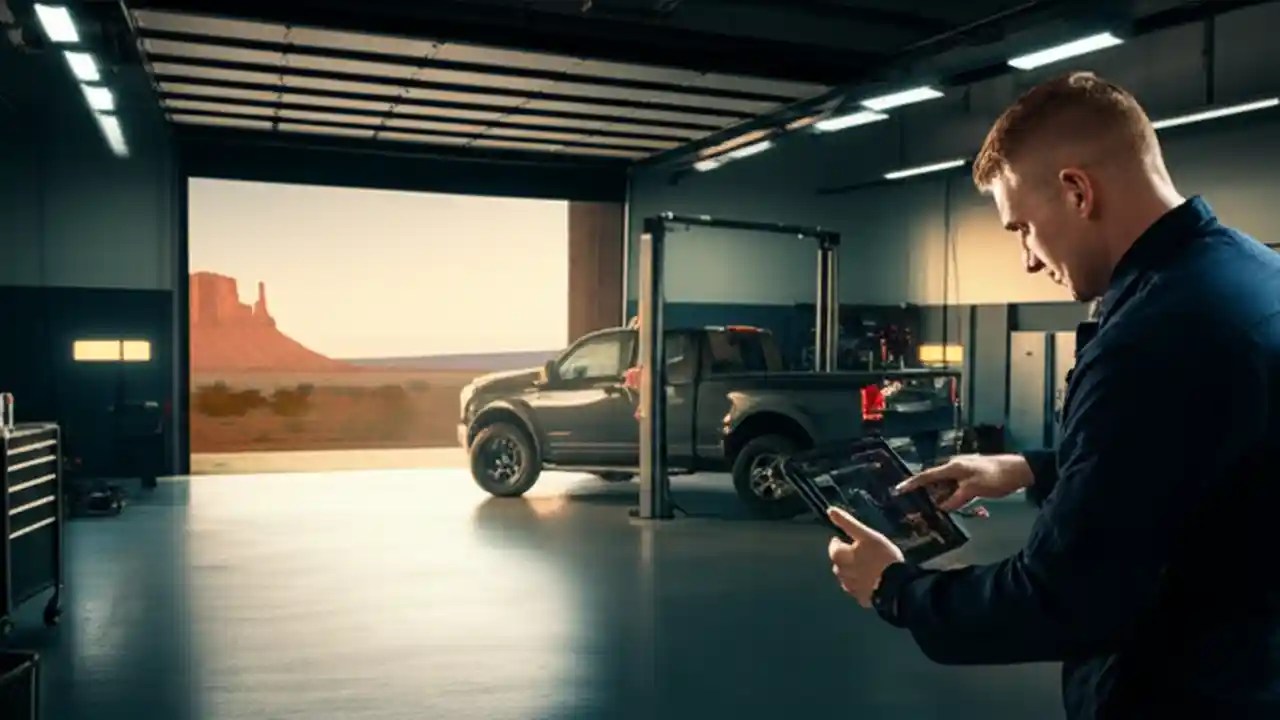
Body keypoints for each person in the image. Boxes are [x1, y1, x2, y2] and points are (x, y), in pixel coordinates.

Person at [825, 71, 1280, 718]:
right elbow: (1196, 463)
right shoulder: (1254, 275)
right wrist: (1029, 469)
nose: (1029, 260)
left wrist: (895, 588)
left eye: (1021, 228)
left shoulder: (1148, 340)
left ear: (1076, 191)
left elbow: (1064, 597)